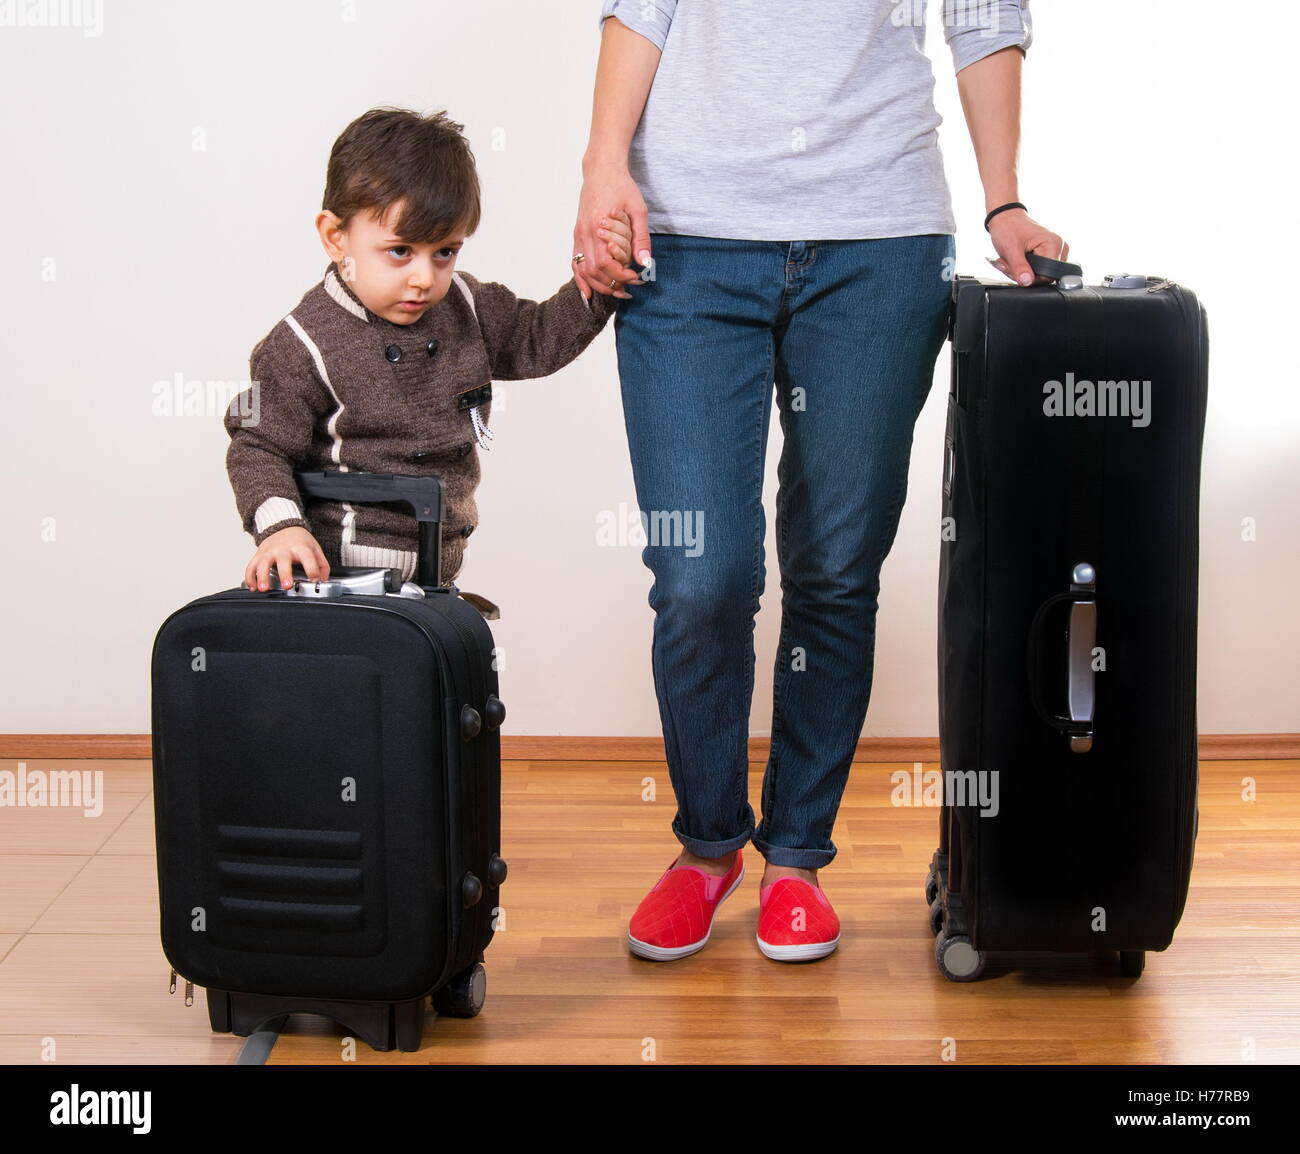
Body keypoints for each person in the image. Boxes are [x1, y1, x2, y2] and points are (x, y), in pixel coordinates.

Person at [573, 1, 1068, 962]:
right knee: (699, 574)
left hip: (878, 240)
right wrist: (602, 170)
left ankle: (795, 857)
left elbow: (981, 19)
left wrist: (1002, 197)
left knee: (837, 567)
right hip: (684, 239)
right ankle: (708, 845)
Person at [225, 107, 634, 593]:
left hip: (437, 568)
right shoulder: (302, 343)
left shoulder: (465, 304)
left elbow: (534, 340)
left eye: (444, 252)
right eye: (400, 251)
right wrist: (281, 527)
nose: (424, 278)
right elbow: (257, 445)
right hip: (341, 578)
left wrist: (598, 283)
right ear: (336, 238)